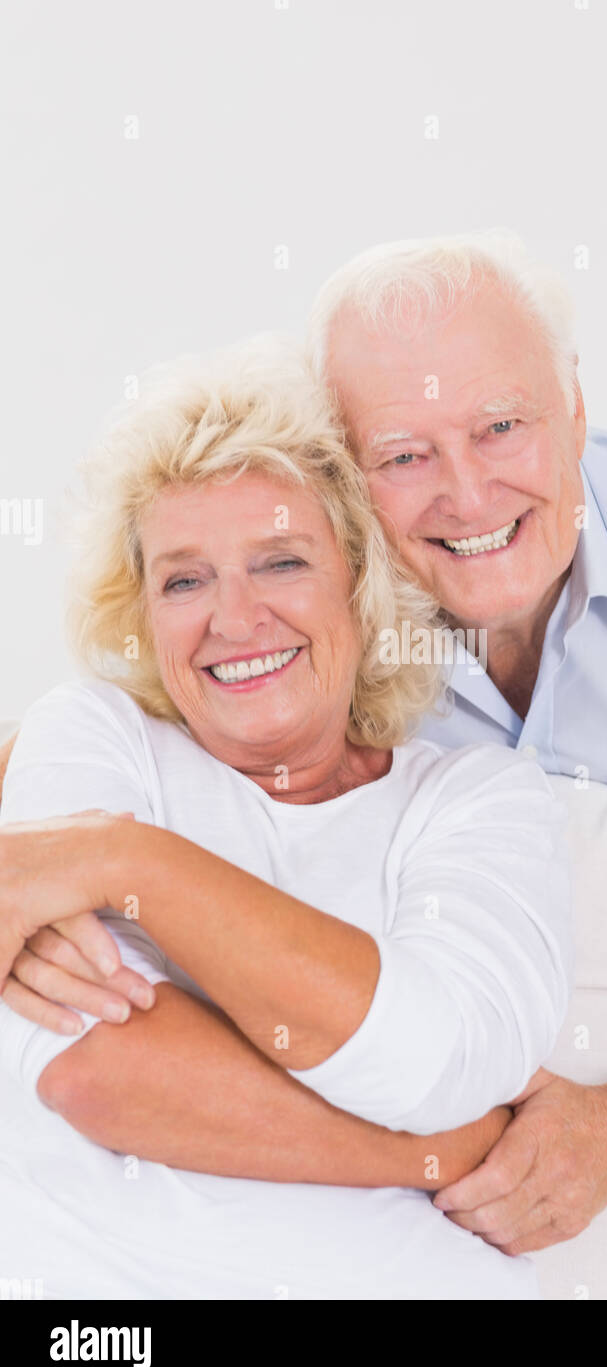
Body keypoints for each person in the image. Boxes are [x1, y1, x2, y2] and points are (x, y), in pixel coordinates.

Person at [6, 230, 607, 1261]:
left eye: (500, 425)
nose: (464, 494)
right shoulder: (307, 602)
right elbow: (124, 716)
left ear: (576, 407)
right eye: (404, 453)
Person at [0, 340, 574, 1299]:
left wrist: (126, 858)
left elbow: (432, 1060)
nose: (235, 618)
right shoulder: (95, 737)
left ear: (358, 580)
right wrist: (445, 1149)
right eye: (184, 580)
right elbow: (97, 1068)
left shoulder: (481, 798)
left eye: (280, 561)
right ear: (140, 610)